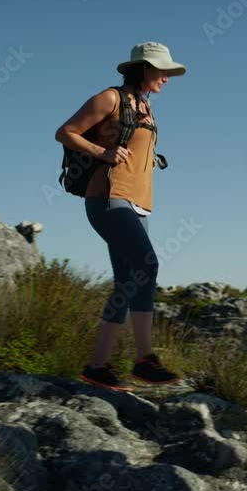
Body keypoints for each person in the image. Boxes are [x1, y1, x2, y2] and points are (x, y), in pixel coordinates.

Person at [55, 42, 186, 392]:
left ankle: (97, 366)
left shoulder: (143, 106)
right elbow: (65, 132)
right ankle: (145, 359)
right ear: (143, 68)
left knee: (126, 282)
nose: (167, 79)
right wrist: (102, 151)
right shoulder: (110, 98)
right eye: (162, 71)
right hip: (108, 198)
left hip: (138, 203)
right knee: (148, 263)